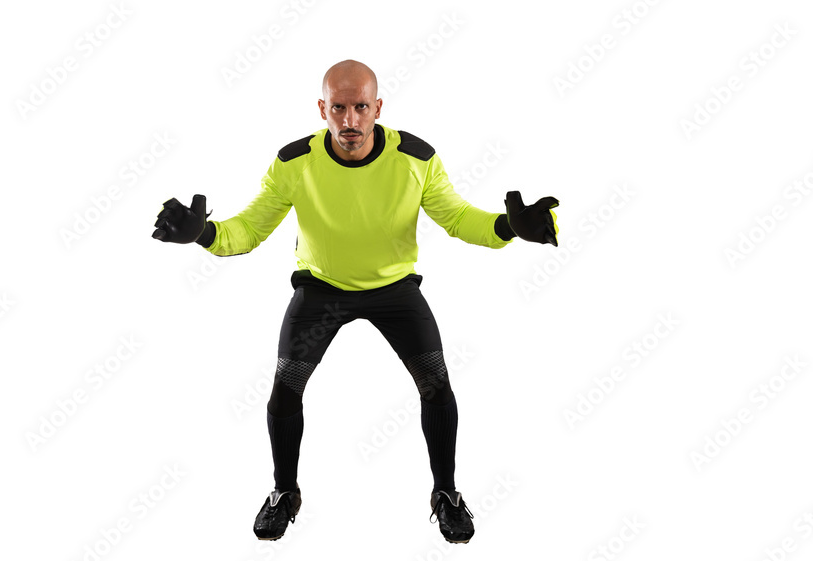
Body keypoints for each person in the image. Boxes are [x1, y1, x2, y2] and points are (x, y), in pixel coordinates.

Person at [152, 60, 559, 544]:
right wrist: (205, 234)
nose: (349, 121)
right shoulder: (294, 161)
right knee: (286, 387)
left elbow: (458, 218)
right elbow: (248, 229)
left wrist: (509, 226)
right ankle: (285, 492)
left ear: (377, 108)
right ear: (322, 109)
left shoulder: (416, 157)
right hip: (321, 289)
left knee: (437, 383)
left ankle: (446, 494)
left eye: (360, 107)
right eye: (339, 108)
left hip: (394, 290)